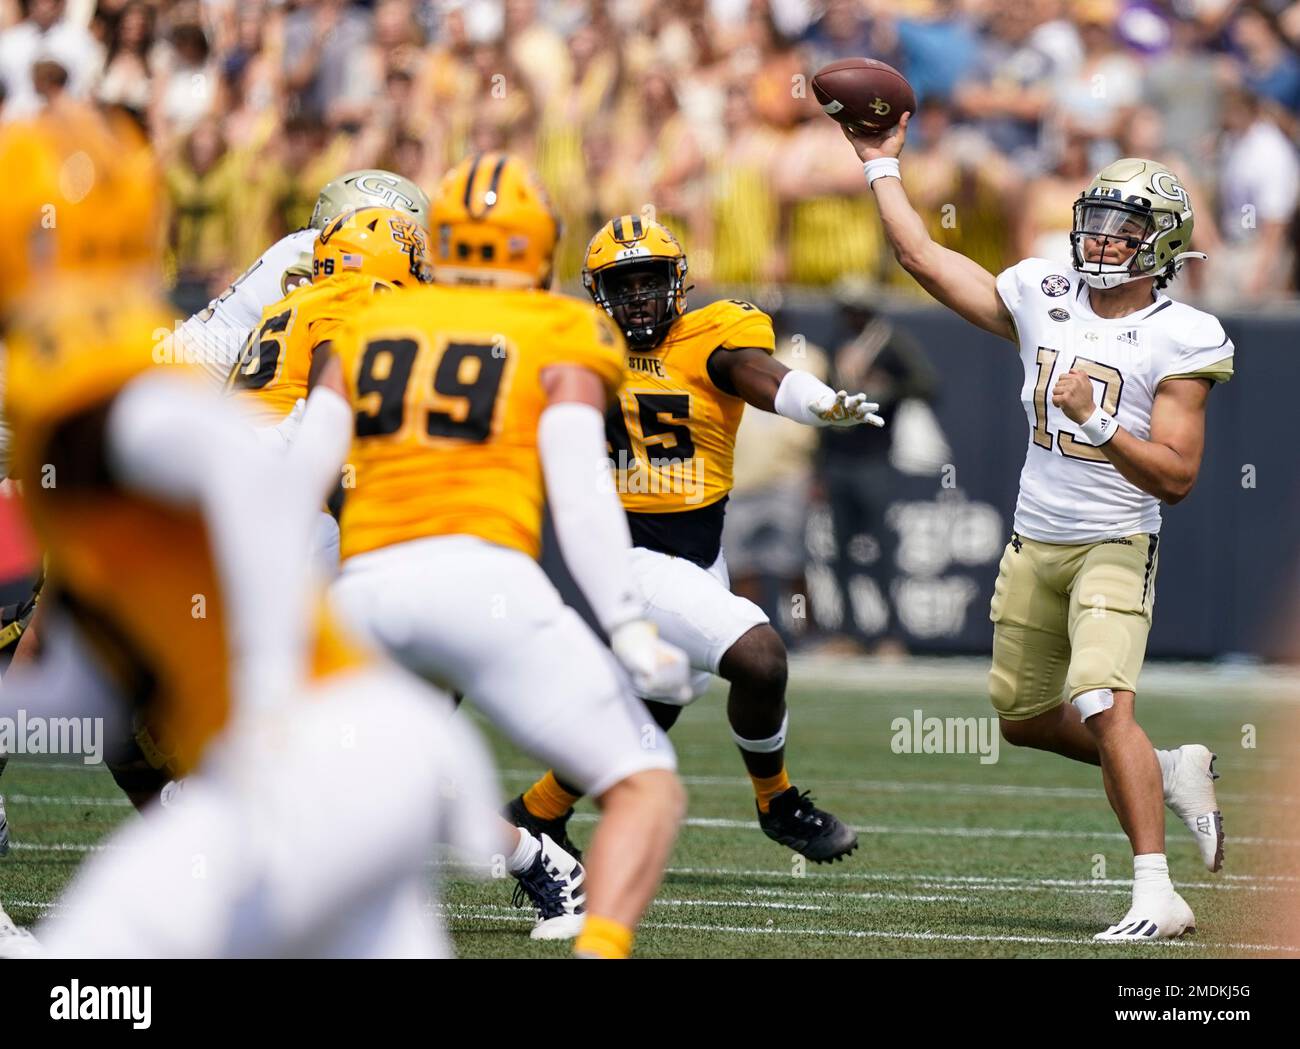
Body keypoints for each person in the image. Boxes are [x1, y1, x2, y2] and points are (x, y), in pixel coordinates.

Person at [843, 113, 1230, 940]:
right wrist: (881, 166)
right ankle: (1167, 768)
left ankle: (1157, 891)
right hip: (1034, 537)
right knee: (1020, 718)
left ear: (1162, 245)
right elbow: (925, 259)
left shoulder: (1182, 334)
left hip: (1115, 540)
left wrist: (1097, 424)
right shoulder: (1042, 291)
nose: (1101, 240)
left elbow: (1179, 475)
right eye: (1098, 221)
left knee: (1099, 696)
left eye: (1126, 232)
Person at [316, 153, 690, 959]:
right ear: (541, 245)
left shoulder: (369, 324)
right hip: (489, 584)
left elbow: (296, 469)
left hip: (366, 588)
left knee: (345, 789)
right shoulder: (563, 327)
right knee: (645, 785)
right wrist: (628, 626)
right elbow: (582, 487)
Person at [508, 214, 883, 866]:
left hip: (700, 553)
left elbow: (757, 372)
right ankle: (777, 801)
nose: (639, 298)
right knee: (760, 655)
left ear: (678, 281)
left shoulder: (714, 331)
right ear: (598, 293)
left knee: (661, 695)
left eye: (650, 281)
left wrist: (816, 401)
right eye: (623, 285)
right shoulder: (574, 343)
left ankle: (536, 813)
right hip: (625, 552)